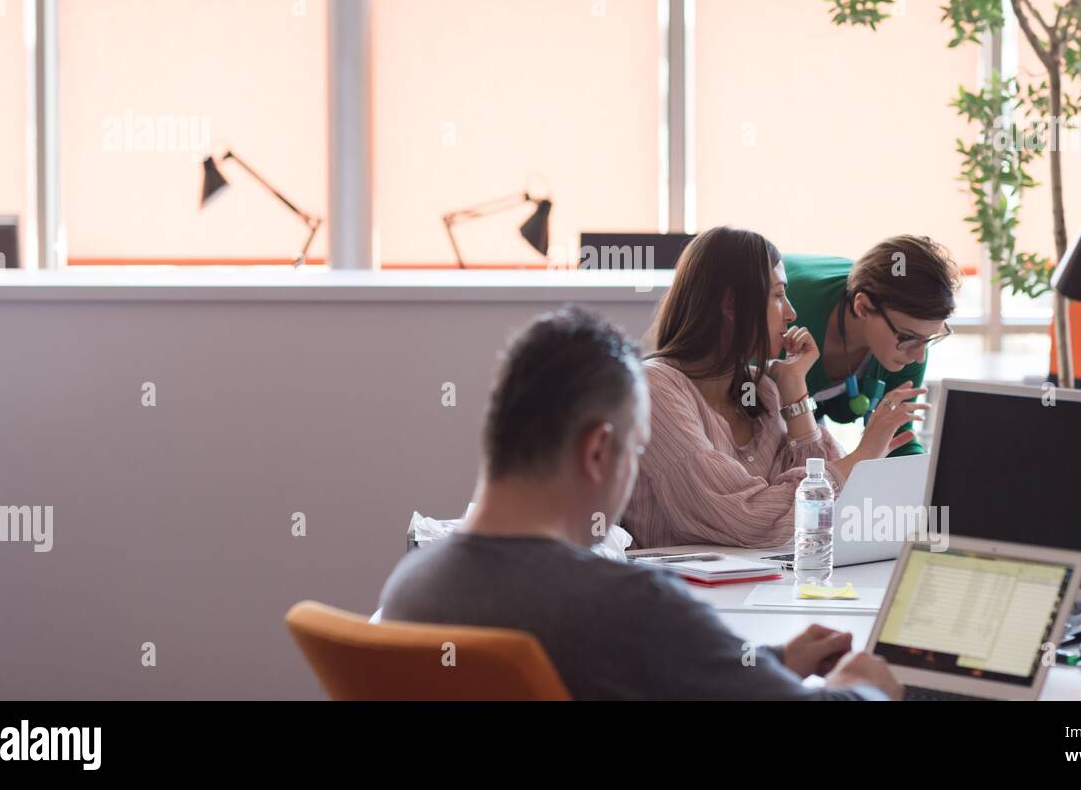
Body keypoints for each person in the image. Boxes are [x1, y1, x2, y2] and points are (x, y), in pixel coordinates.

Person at [379, 306, 901, 701]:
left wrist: (775, 659)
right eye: (637, 449)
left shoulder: (412, 586)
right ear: (597, 451)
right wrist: (863, 685)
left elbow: (656, 666)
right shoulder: (627, 603)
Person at [624, 227, 927, 549]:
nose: (791, 314)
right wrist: (863, 456)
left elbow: (820, 515)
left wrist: (795, 389)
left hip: (760, 575)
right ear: (731, 304)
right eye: (779, 295)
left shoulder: (764, 389)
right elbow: (748, 519)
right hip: (674, 578)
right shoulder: (655, 389)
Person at [783, 236, 960, 458]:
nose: (919, 357)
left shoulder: (907, 342)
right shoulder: (785, 318)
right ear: (863, 307)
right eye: (909, 337)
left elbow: (897, 438)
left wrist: (931, 473)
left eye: (929, 338)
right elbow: (759, 445)